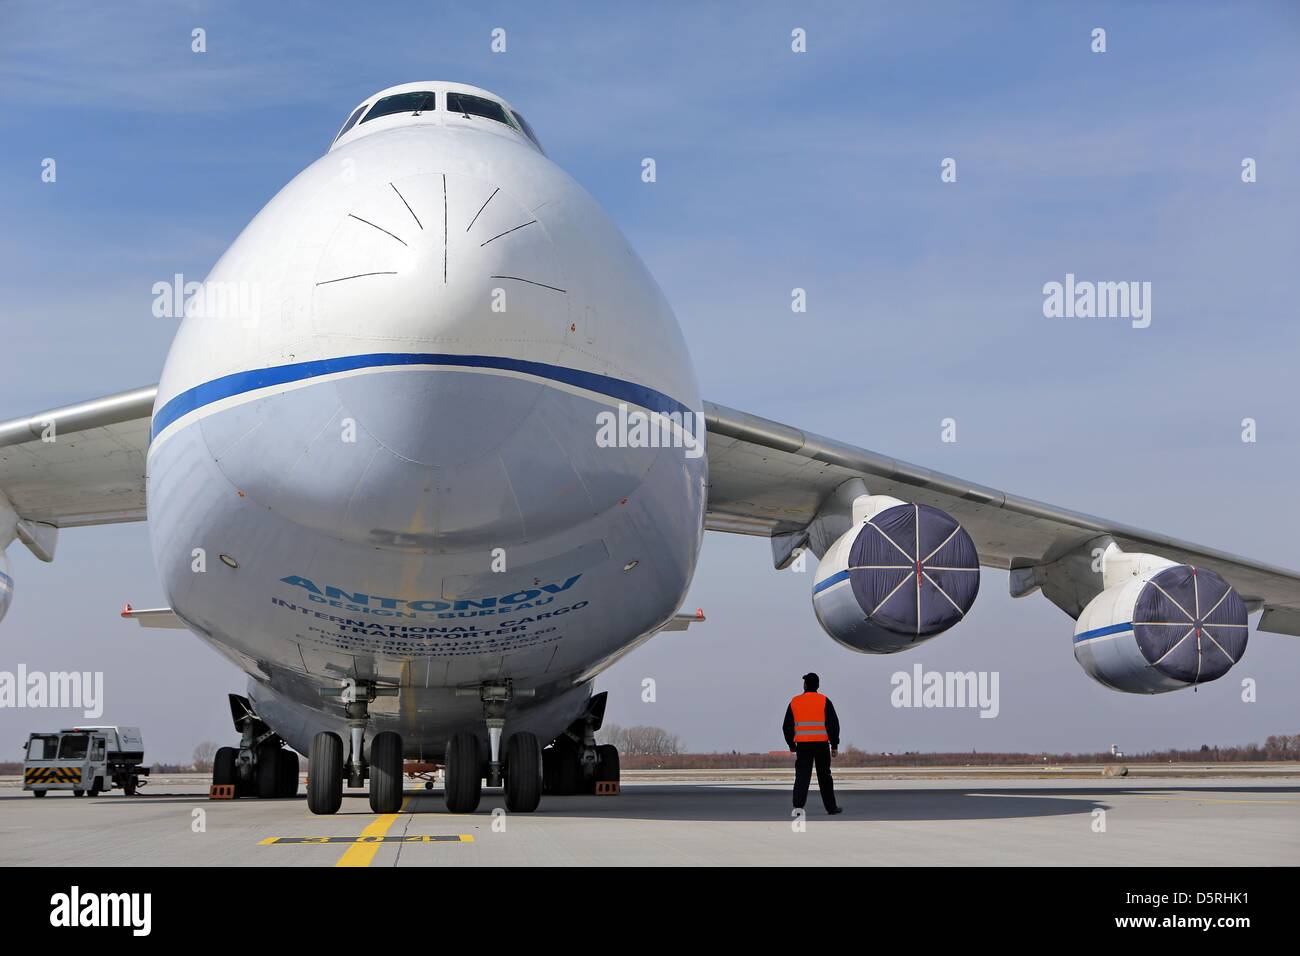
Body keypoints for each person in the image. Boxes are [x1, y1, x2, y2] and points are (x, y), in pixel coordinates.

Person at [782, 672, 843, 815]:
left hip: (803, 746)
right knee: (825, 777)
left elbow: (787, 726)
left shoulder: (795, 701)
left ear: (805, 685)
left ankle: (798, 807)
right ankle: (831, 807)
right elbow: (833, 724)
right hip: (821, 745)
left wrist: (791, 744)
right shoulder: (824, 700)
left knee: (802, 776)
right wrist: (834, 745)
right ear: (818, 685)